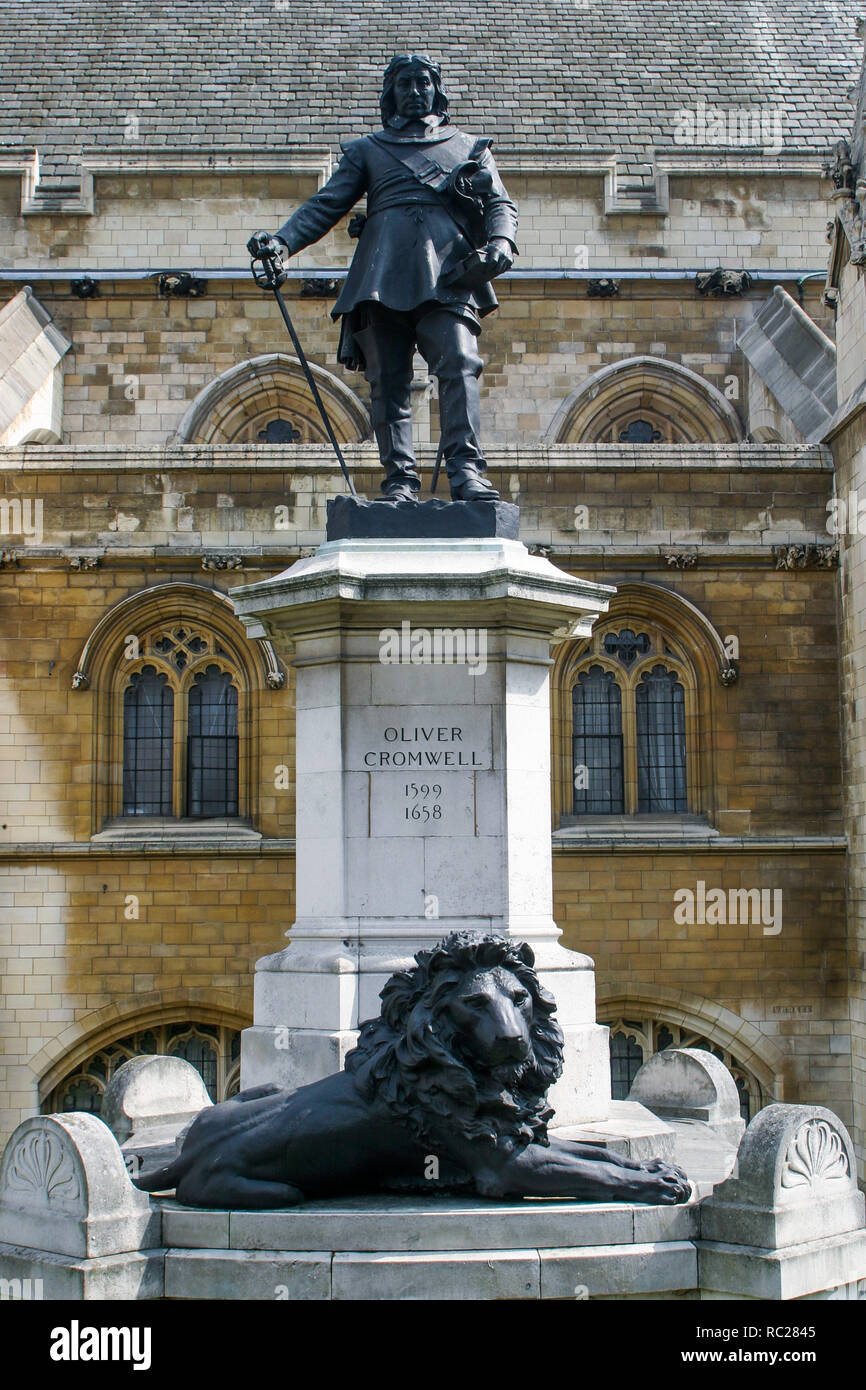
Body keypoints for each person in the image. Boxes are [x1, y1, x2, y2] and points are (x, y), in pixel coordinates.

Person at [248, 53, 518, 502]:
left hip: (448, 270)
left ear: (437, 89)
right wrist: (282, 243)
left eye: (423, 83)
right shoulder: (367, 151)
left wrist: (502, 243)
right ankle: (399, 482)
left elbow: (500, 205)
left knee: (458, 362)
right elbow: (325, 206)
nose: (415, 92)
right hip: (382, 271)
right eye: (405, 84)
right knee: (388, 380)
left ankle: (467, 472)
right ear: (391, 93)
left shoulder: (470, 148)